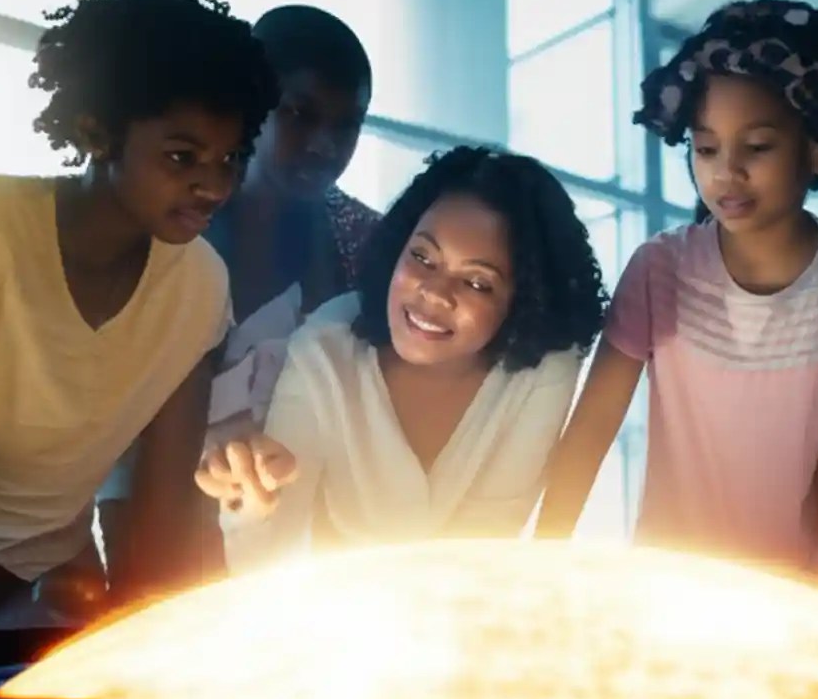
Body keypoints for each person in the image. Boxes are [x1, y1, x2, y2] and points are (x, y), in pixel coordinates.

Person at [0, 0, 279, 630]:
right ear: (96, 132)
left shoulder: (201, 285)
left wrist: (145, 628)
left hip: (56, 592)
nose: (214, 184)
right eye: (183, 157)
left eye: (230, 158)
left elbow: (163, 496)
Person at [535, 0, 818, 589]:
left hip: (791, 593)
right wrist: (541, 560)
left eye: (757, 147)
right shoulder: (662, 269)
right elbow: (591, 427)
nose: (726, 172)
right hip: (666, 586)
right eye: (706, 148)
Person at [194, 146, 608, 571]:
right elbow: (260, 560)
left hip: (465, 617)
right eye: (422, 257)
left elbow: (487, 550)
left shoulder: (542, 369)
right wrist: (252, 498)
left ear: (523, 303)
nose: (433, 292)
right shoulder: (326, 348)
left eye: (478, 283)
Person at [95, 4, 381, 581]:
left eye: (347, 125)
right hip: (150, 503)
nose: (326, 144)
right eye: (301, 115)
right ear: (252, 108)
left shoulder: (366, 243)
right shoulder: (172, 221)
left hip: (287, 523)